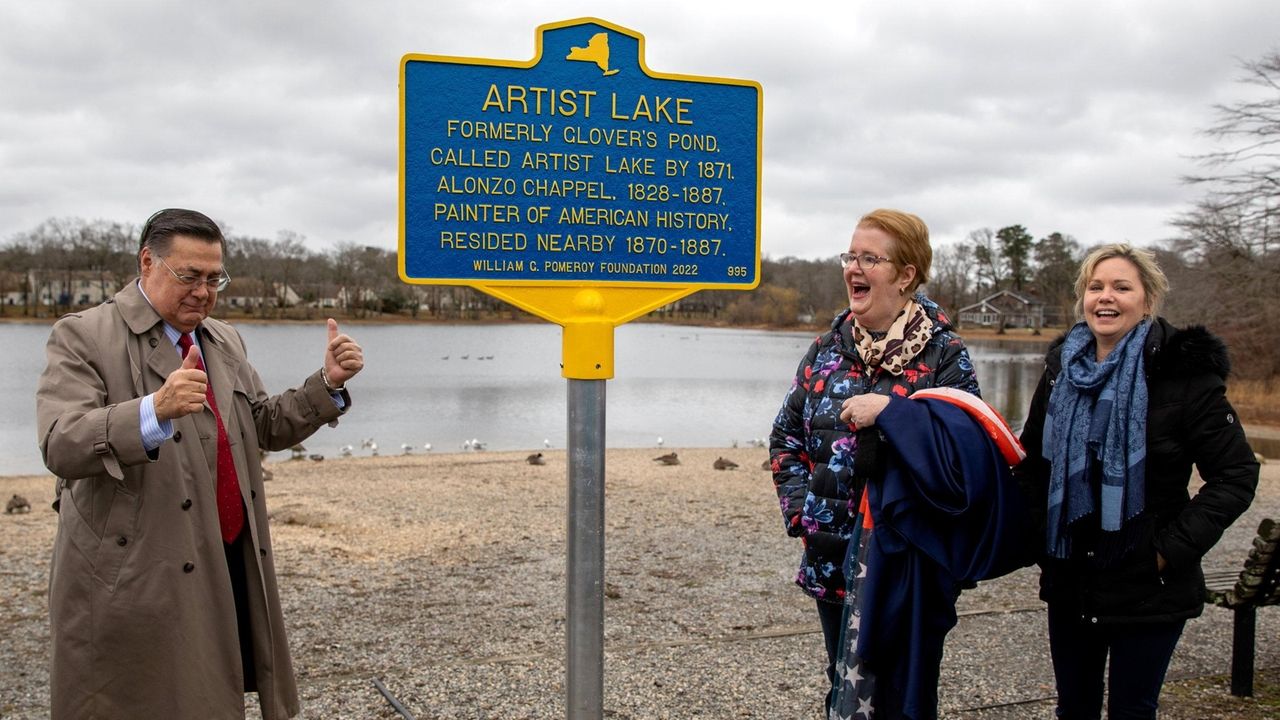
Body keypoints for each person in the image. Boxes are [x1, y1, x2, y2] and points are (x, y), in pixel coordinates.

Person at [35, 208, 365, 720]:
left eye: (215, 278)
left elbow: (261, 425)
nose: (203, 291)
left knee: (210, 694)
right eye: (189, 276)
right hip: (134, 573)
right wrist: (152, 411)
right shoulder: (82, 336)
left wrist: (327, 384)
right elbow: (60, 442)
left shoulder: (223, 338)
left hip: (225, 555)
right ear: (148, 262)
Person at [1014, 243, 1258, 720]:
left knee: (1133, 709)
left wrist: (1168, 549)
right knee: (1074, 709)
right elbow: (1033, 466)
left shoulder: (1184, 376)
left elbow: (1236, 474)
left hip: (1149, 580)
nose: (1105, 297)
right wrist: (1032, 536)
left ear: (1147, 301)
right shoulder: (1060, 372)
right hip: (1071, 578)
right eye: (1095, 286)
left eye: (1121, 287)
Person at [770, 209, 994, 718]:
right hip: (832, 556)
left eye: (870, 258)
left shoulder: (943, 356)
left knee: (904, 692)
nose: (854, 268)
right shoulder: (826, 350)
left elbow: (968, 454)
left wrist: (894, 414)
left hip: (909, 562)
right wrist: (805, 514)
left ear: (906, 273)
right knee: (842, 685)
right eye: (850, 256)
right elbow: (785, 437)